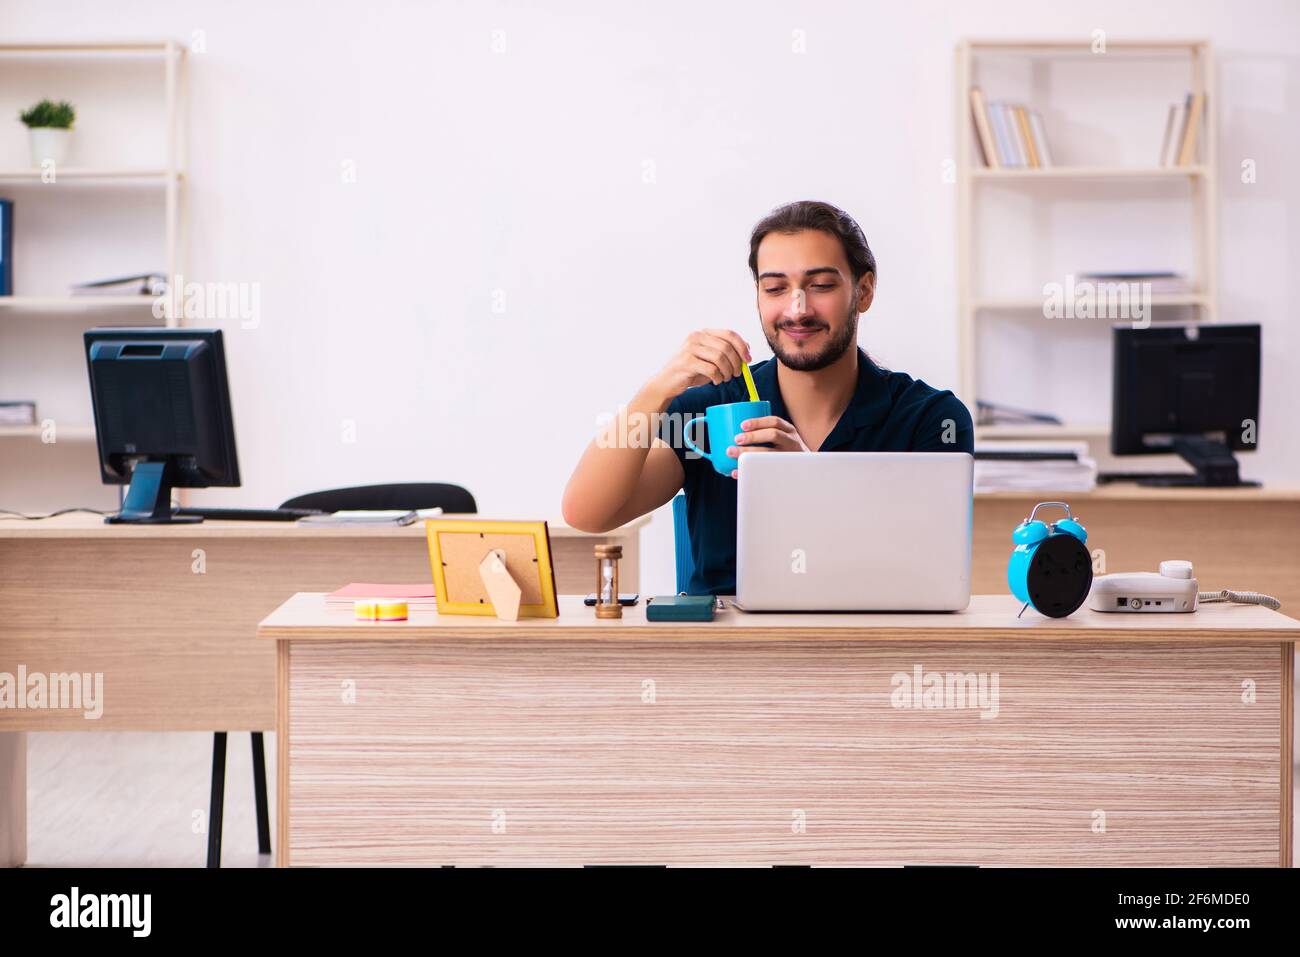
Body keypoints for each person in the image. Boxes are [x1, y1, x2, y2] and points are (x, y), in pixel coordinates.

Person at [562, 200, 973, 594]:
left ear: (863, 291)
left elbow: (932, 570)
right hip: (731, 657)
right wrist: (658, 390)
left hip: (868, 653)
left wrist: (805, 483)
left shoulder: (932, 419)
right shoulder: (709, 411)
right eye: (775, 288)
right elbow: (587, 513)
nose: (797, 309)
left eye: (821, 285)